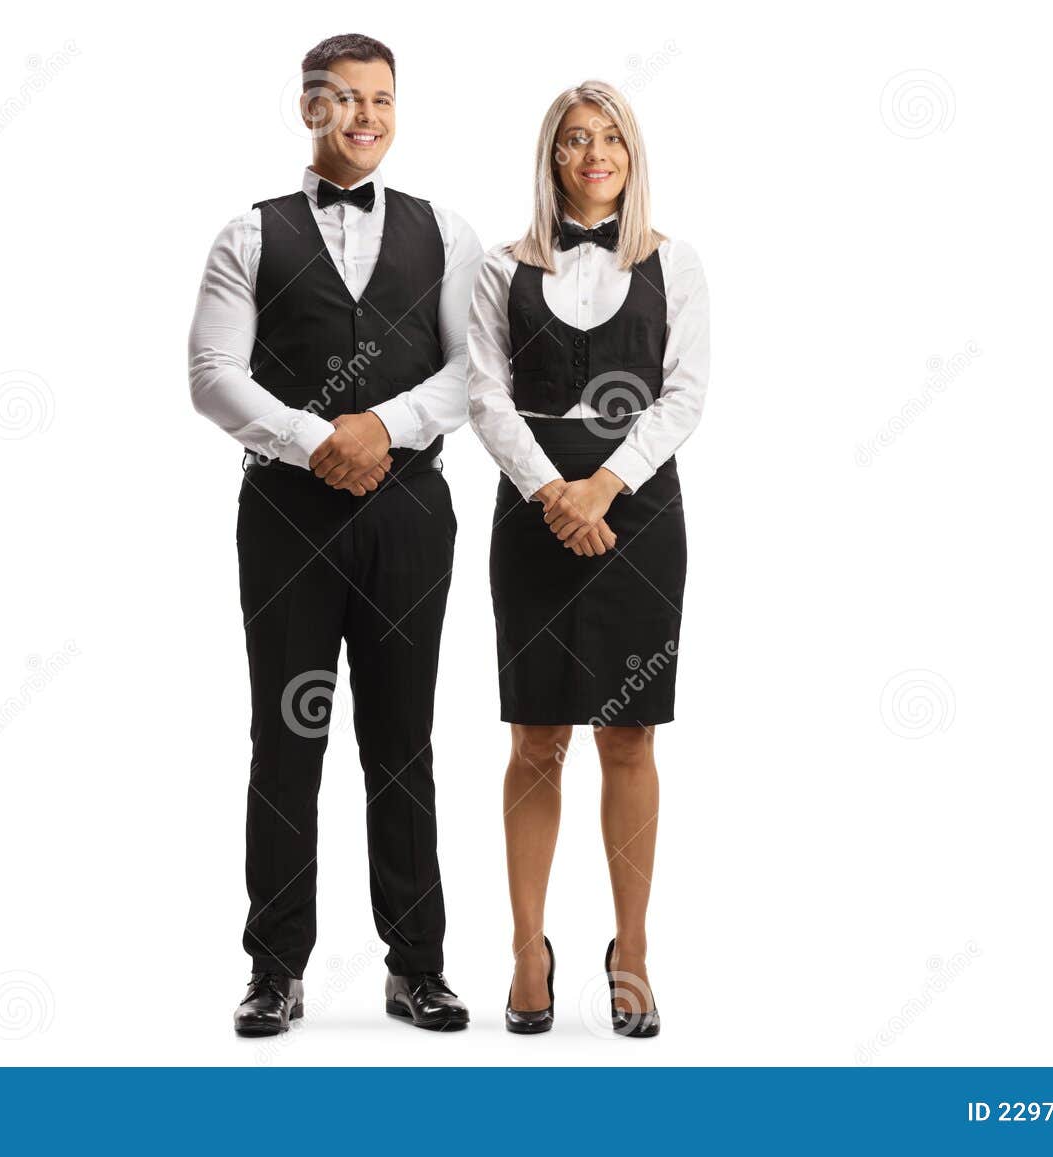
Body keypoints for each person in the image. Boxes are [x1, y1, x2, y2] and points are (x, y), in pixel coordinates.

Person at [188, 33, 482, 1035]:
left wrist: (381, 428)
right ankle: (274, 968)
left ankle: (418, 966)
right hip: (286, 517)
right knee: (287, 735)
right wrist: (320, 441)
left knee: (402, 737)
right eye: (347, 98)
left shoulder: (446, 232)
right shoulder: (249, 234)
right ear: (309, 107)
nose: (366, 115)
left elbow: (474, 370)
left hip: (410, 516)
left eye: (382, 99)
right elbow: (212, 375)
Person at [466, 79, 709, 1037]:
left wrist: (604, 486)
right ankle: (528, 948)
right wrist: (552, 492)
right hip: (534, 508)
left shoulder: (675, 262)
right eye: (574, 138)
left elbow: (685, 395)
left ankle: (632, 950)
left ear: (632, 153)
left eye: (610, 137)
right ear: (551, 157)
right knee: (536, 734)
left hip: (639, 507)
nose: (594, 153)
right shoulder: (498, 267)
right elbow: (485, 396)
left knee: (630, 734)